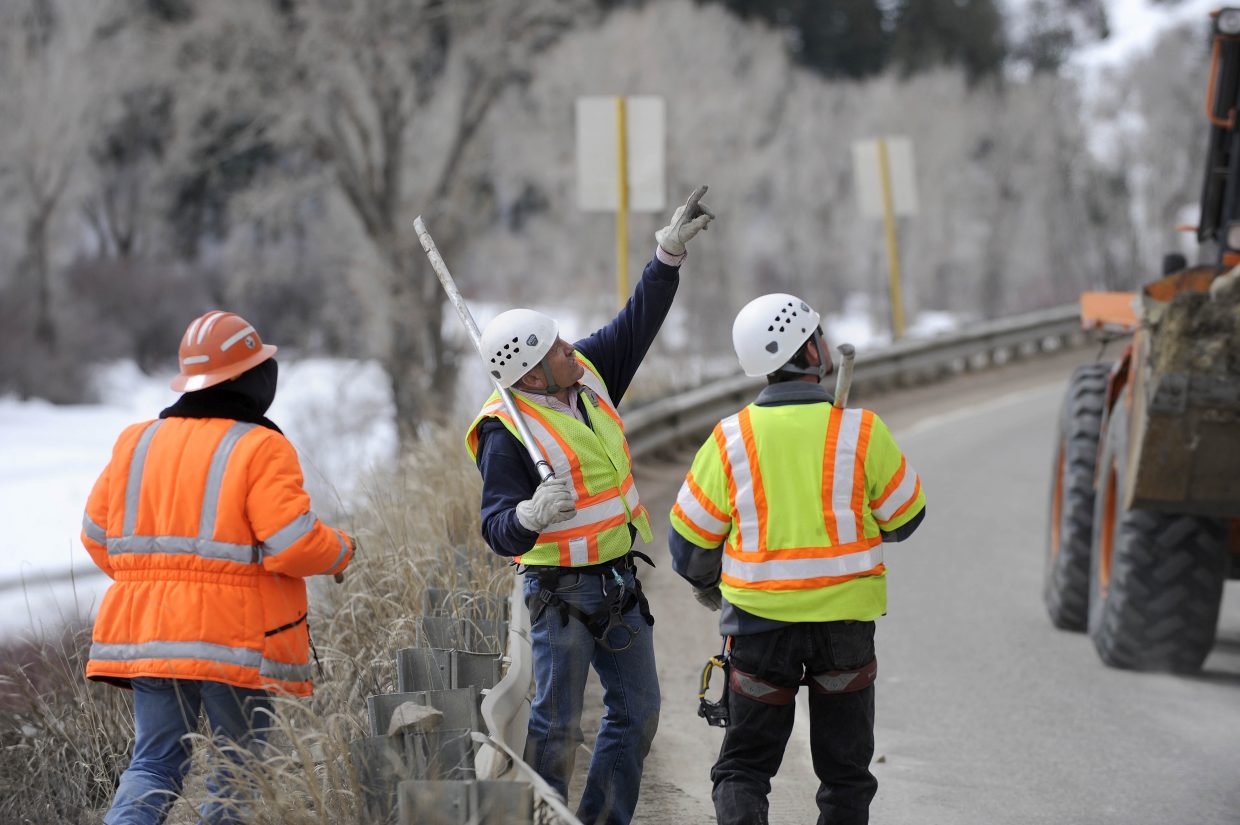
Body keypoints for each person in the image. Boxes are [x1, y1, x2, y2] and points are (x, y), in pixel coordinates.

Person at [465, 192, 714, 825]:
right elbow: (496, 529)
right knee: (554, 731)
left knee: (638, 713)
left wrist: (668, 255)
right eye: (553, 349)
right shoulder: (505, 434)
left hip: (618, 583)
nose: (570, 347)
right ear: (530, 377)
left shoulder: (588, 375)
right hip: (559, 599)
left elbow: (638, 320)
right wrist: (529, 515)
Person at [80, 310, 354, 825]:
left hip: (150, 634)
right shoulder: (259, 445)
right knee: (240, 767)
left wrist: (158, 582)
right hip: (234, 639)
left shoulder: (136, 441)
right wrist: (341, 549)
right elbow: (293, 543)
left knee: (155, 763)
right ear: (248, 378)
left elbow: (97, 537)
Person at [668, 293, 926, 825]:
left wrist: (711, 581)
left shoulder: (729, 438)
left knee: (743, 770)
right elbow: (904, 519)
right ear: (809, 350)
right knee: (846, 777)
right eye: (820, 335)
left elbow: (690, 548)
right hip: (845, 632)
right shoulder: (861, 431)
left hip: (760, 631)